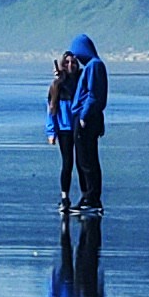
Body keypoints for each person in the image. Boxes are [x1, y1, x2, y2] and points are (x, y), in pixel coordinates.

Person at [47, 32, 107, 215]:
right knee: (81, 161)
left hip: (83, 121)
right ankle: (87, 198)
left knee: (86, 162)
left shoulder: (93, 66)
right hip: (74, 123)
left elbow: (92, 95)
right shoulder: (91, 67)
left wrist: (83, 116)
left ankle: (91, 198)